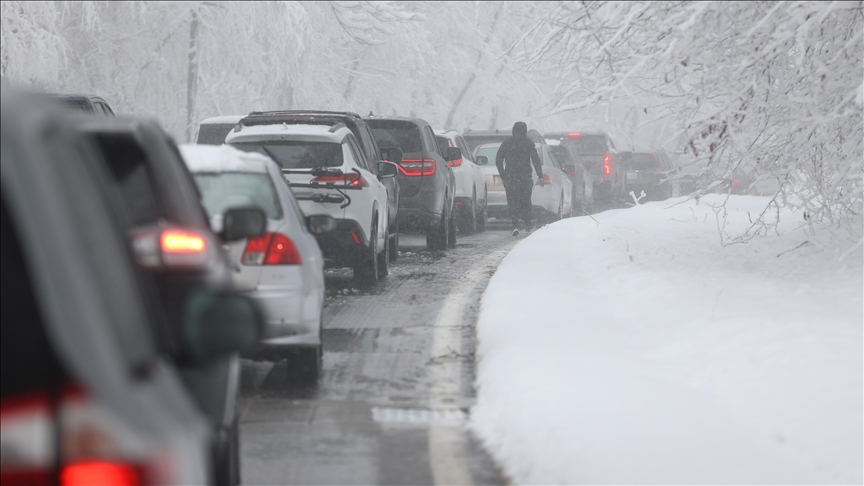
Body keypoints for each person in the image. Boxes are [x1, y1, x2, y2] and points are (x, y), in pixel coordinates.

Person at [496, 121, 545, 236]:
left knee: (512, 201)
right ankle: (528, 224)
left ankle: (514, 225)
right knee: (526, 200)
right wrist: (540, 176)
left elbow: (498, 160)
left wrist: (503, 176)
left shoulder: (507, 143)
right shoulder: (528, 142)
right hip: (525, 177)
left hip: (510, 178)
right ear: (525, 131)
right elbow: (535, 159)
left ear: (513, 130)